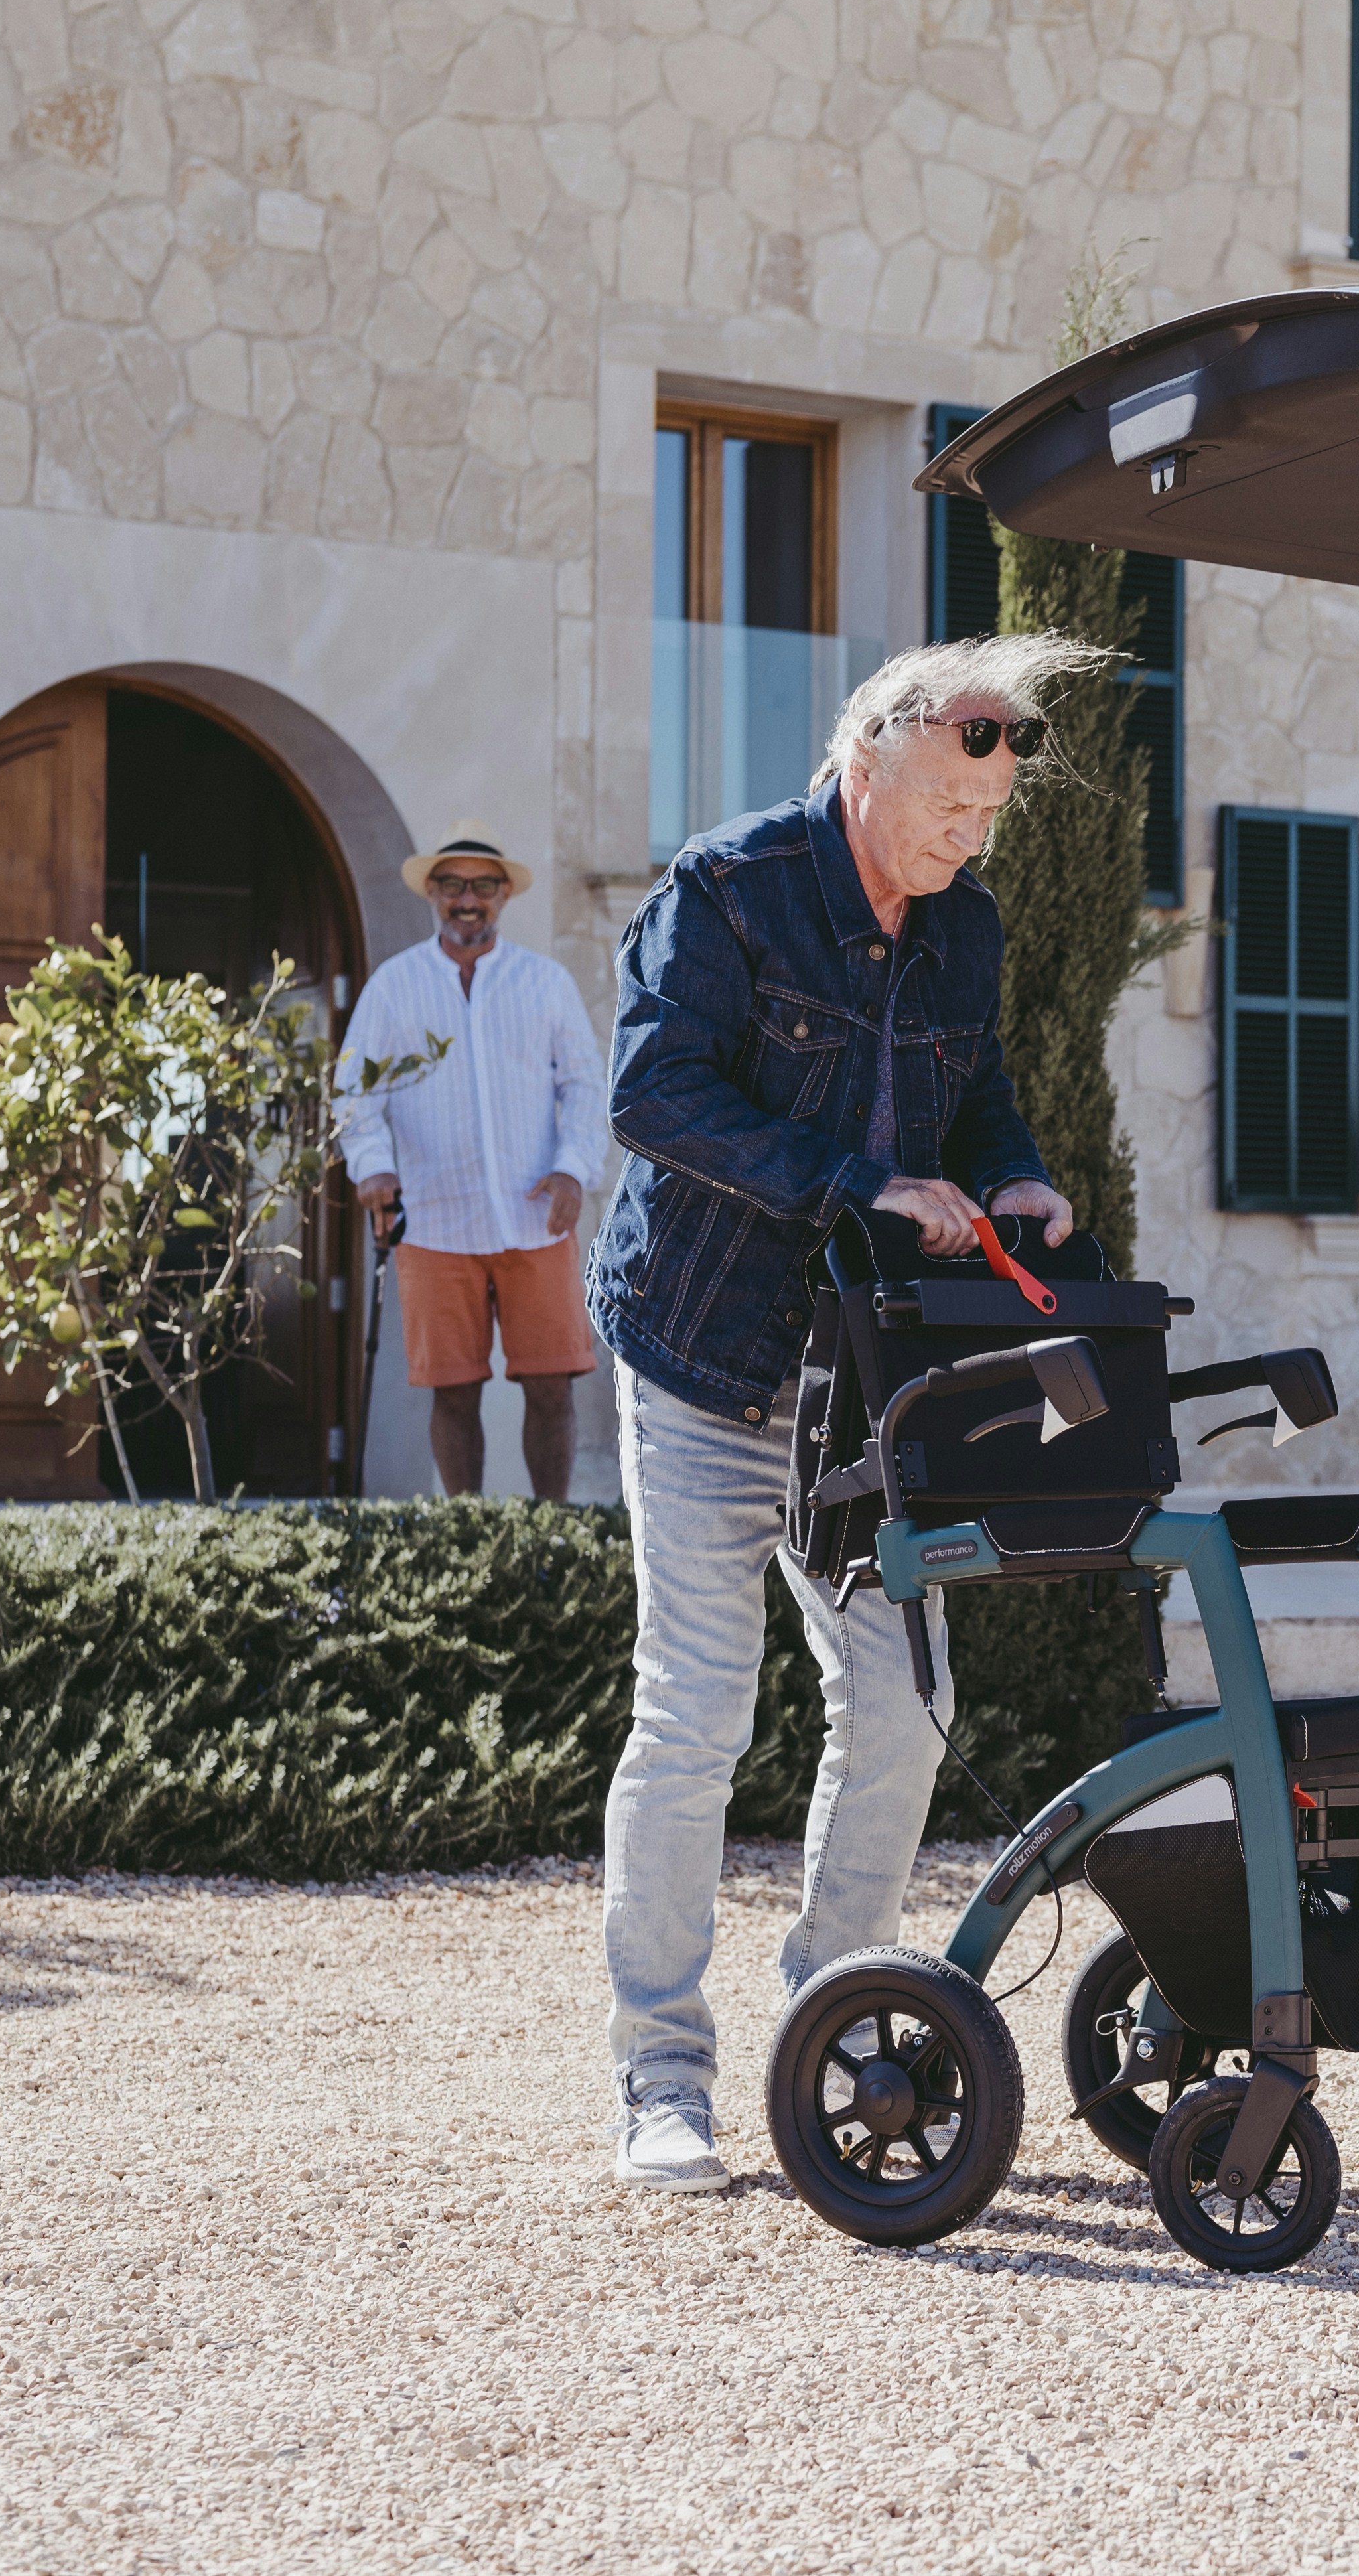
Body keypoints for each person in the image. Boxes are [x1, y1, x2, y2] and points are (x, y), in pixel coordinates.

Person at [583, 633, 1106, 2192]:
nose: (969, 837)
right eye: (948, 805)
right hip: (698, 1358)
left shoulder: (964, 927)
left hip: (863, 1388)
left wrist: (1015, 1170)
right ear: (865, 758)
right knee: (694, 1719)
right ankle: (660, 2078)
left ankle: (830, 2026)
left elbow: (976, 1090)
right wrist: (856, 1184)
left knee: (904, 1708)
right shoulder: (726, 890)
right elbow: (652, 1095)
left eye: (987, 816)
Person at [338, 822, 608, 1500]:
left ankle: (551, 1534)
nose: (468, 899)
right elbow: (354, 1090)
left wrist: (574, 1166)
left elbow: (585, 1083)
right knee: (452, 1392)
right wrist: (371, 1164)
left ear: (503, 896)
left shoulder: (544, 982)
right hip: (433, 1220)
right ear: (432, 893)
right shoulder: (393, 986)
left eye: (483, 885)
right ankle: (468, 1531)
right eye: (453, 885)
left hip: (535, 1218)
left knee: (551, 1385)